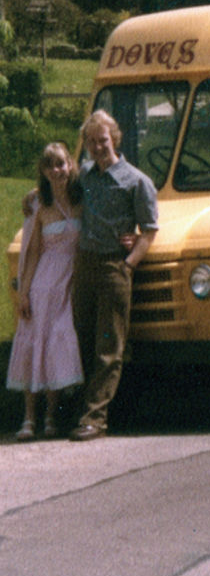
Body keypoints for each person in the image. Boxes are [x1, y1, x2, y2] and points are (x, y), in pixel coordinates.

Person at [68, 109, 158, 441]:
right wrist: (35, 198)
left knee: (109, 346)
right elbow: (61, 192)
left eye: (102, 140)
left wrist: (129, 263)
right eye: (91, 142)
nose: (97, 147)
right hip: (86, 264)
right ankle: (83, 409)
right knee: (83, 339)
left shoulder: (136, 181)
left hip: (114, 268)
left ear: (115, 139)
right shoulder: (86, 175)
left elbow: (149, 231)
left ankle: (95, 419)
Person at [7, 142, 85, 441]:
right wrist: (24, 294)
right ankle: (28, 418)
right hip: (43, 283)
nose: (57, 170)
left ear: (70, 165)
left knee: (57, 345)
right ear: (43, 170)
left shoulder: (82, 199)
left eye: (61, 164)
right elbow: (32, 253)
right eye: (50, 165)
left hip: (71, 281)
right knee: (34, 344)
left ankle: (51, 417)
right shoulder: (39, 205)